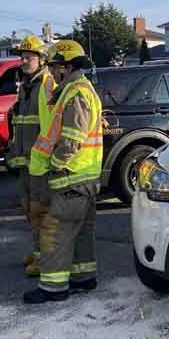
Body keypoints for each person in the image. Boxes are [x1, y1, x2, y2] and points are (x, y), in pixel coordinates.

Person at [24, 40, 102, 304]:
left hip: (70, 178)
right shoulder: (79, 90)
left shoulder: (76, 93)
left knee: (55, 232)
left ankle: (52, 287)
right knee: (81, 232)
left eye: (56, 67)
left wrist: (54, 166)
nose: (53, 72)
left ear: (67, 67)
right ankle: (84, 277)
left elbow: (70, 140)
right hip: (83, 179)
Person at [6, 36, 56, 277]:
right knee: (29, 210)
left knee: (41, 212)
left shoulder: (47, 84)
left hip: (41, 162)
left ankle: (46, 258)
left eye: (29, 57)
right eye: (22, 57)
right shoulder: (26, 86)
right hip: (26, 162)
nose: (24, 61)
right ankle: (38, 252)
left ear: (41, 59)